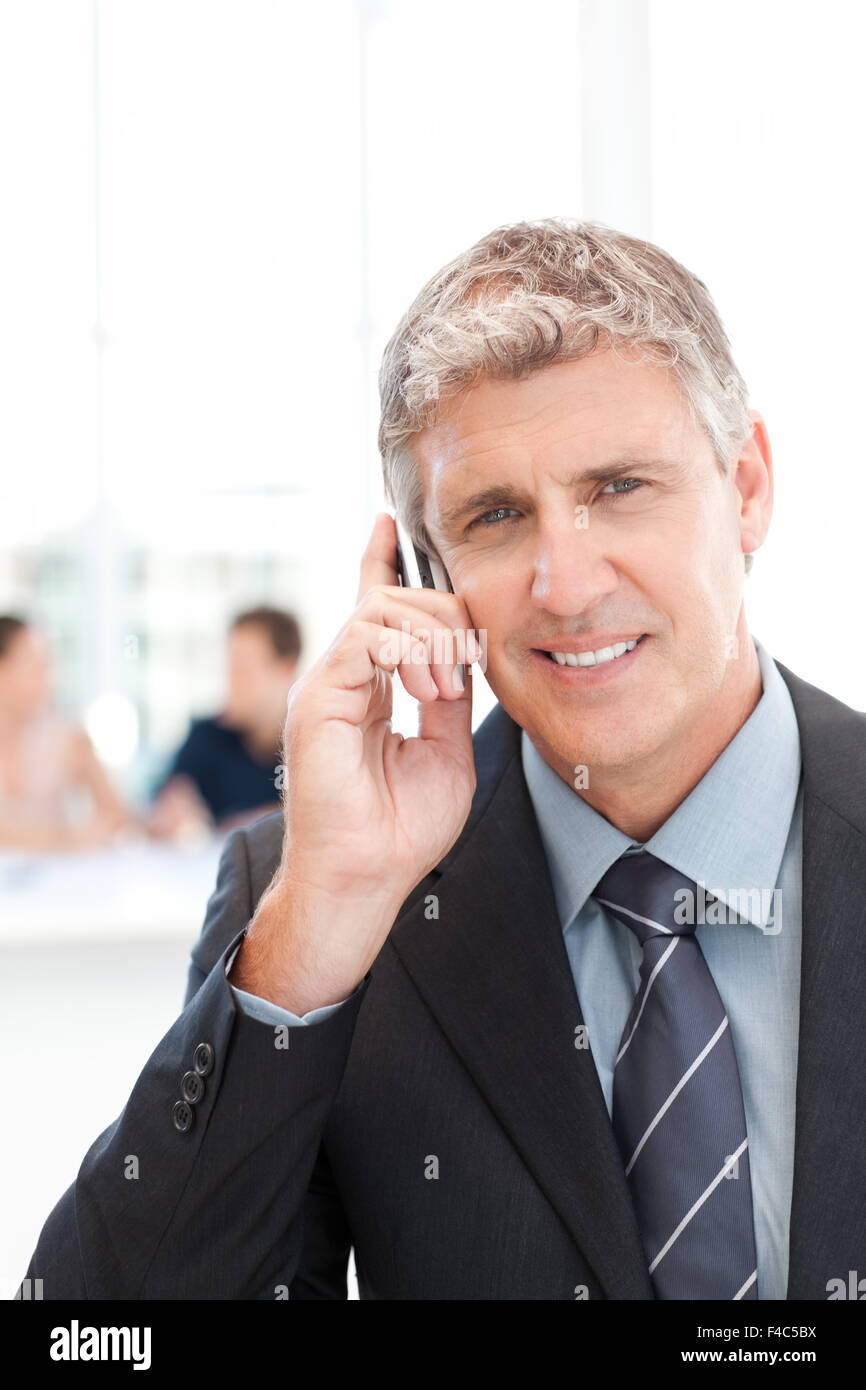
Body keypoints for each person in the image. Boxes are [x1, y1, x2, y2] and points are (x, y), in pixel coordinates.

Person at [22, 220, 865, 1300]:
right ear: (422, 574)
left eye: (618, 487)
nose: (563, 583)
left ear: (744, 485)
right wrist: (319, 923)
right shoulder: (331, 899)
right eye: (495, 515)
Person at [146, 606, 301, 839]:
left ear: (285, 669)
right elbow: (160, 816)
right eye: (229, 669)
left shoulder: (315, 743)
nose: (232, 683)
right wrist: (169, 814)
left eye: (243, 670)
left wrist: (262, 823)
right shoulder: (207, 737)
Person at [0, 615, 131, 851]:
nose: (47, 677)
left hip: (53, 883)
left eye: (47, 665)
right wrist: (63, 840)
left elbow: (118, 817)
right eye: (35, 665)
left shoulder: (68, 737)